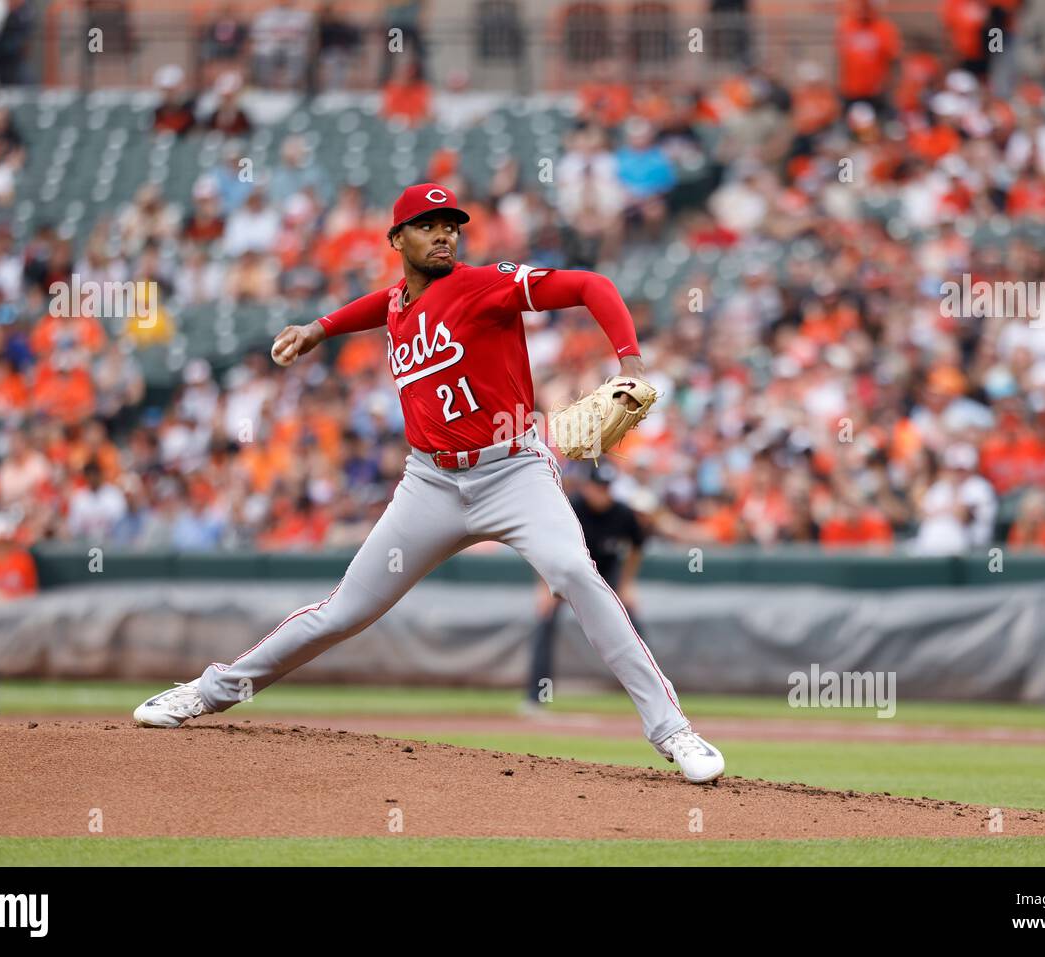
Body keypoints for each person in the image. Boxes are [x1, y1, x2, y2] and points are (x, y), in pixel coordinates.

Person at [133, 182, 726, 784]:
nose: (443, 233)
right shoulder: (398, 302)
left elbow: (591, 286)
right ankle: (209, 693)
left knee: (575, 573)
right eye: (426, 224)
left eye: (451, 224)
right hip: (430, 484)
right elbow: (385, 304)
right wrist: (320, 327)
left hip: (513, 469)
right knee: (343, 612)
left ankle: (673, 730)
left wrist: (629, 364)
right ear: (397, 239)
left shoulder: (483, 284)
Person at [523, 462, 648, 711]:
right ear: (587, 486)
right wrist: (544, 586)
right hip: (567, 574)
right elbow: (542, 546)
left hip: (605, 576)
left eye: (607, 487)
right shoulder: (571, 508)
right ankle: (536, 698)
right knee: (544, 623)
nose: (603, 493)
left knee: (634, 626)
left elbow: (637, 548)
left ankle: (648, 698)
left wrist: (627, 585)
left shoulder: (622, 513)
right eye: (598, 487)